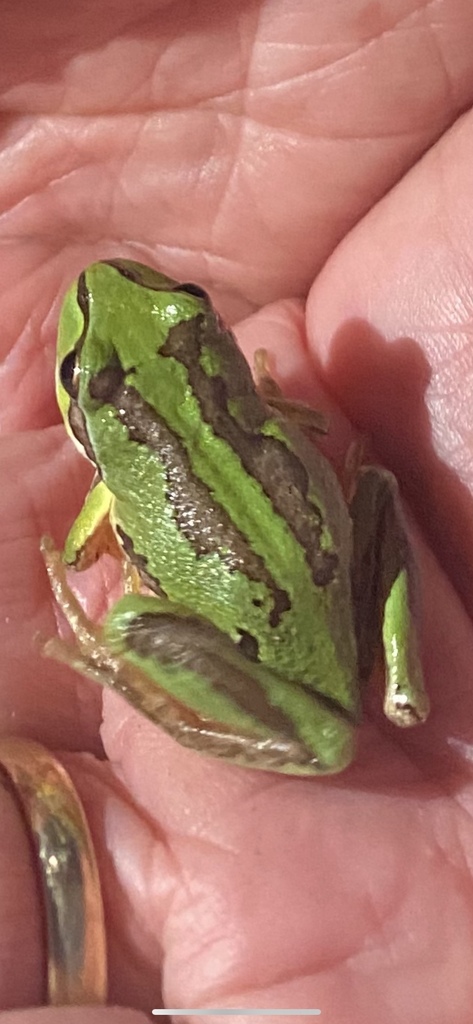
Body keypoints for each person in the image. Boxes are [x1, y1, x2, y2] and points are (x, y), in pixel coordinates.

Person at [1, 1, 473, 1021]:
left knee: (124, 620)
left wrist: (84, 595)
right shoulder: (248, 396)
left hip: (280, 643)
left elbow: (90, 538)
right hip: (301, 597)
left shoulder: (115, 480)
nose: (133, 290)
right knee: (369, 487)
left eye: (180, 303)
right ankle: (390, 685)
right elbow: (278, 431)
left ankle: (321, 708)